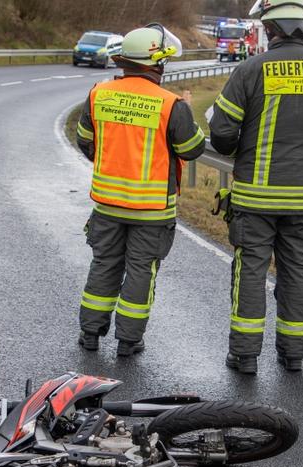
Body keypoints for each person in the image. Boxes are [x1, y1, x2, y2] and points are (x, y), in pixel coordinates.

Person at [208, 0, 303, 374]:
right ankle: (293, 354)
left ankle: (244, 356)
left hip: (254, 199)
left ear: (270, 30)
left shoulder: (250, 69)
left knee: (250, 273)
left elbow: (222, 132)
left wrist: (242, 150)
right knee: (296, 274)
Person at [74, 24, 206, 357]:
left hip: (107, 205)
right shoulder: (171, 104)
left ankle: (90, 333)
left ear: (124, 61)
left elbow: (84, 140)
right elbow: (191, 149)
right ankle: (128, 341)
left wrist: (109, 160)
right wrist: (188, 111)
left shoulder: (98, 93)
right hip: (151, 211)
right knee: (140, 273)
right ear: (158, 64)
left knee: (104, 265)